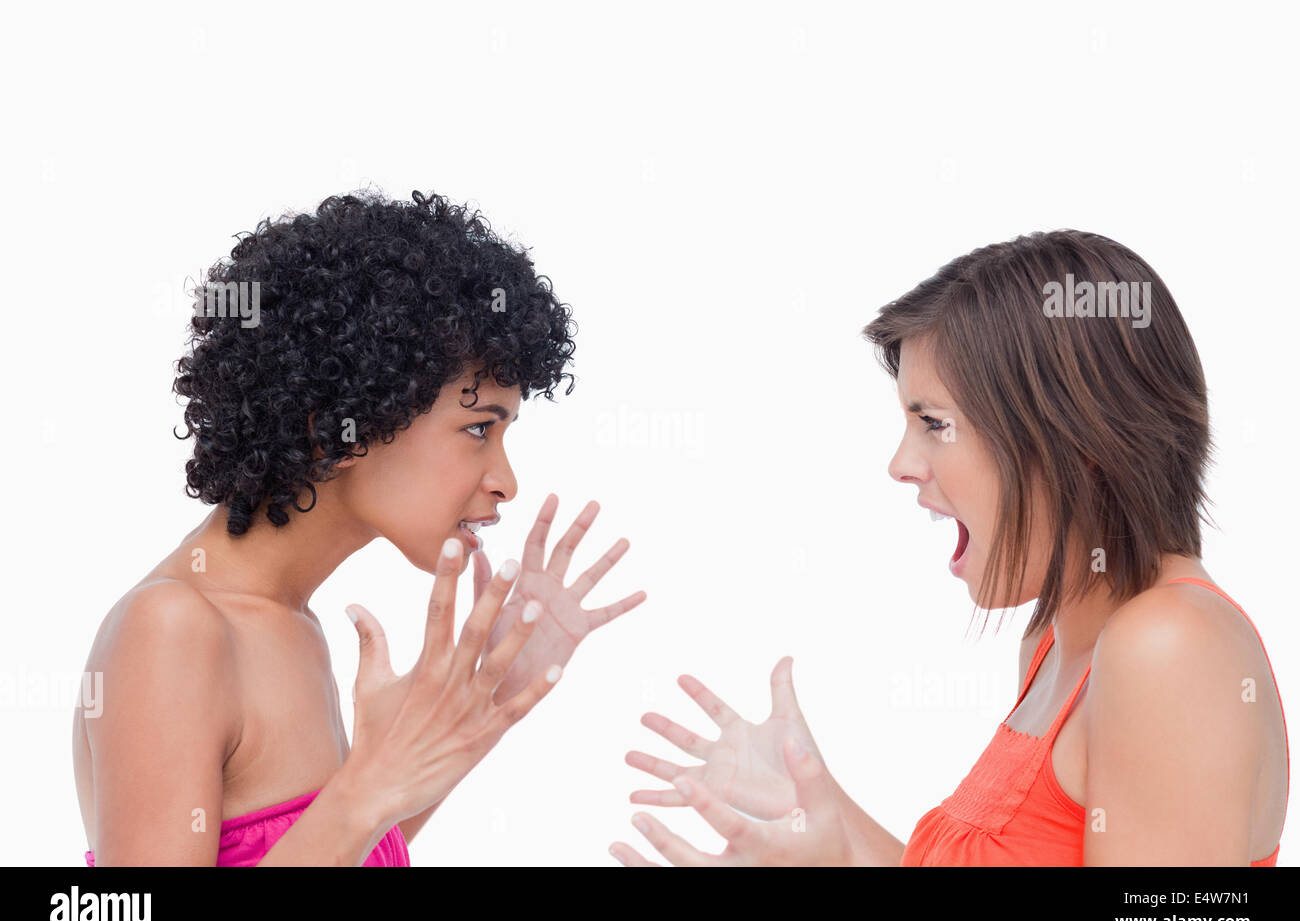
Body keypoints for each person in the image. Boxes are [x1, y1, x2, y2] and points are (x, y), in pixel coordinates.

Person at [611, 229, 1288, 866]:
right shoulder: (1055, 646)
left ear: (1076, 443)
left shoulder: (1169, 647)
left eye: (935, 424)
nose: (902, 464)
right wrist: (826, 824)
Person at [74, 188, 645, 865]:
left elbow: (344, 852)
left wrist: (495, 687)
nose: (505, 480)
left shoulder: (292, 627)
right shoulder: (171, 628)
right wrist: (366, 792)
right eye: (478, 429)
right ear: (343, 427)